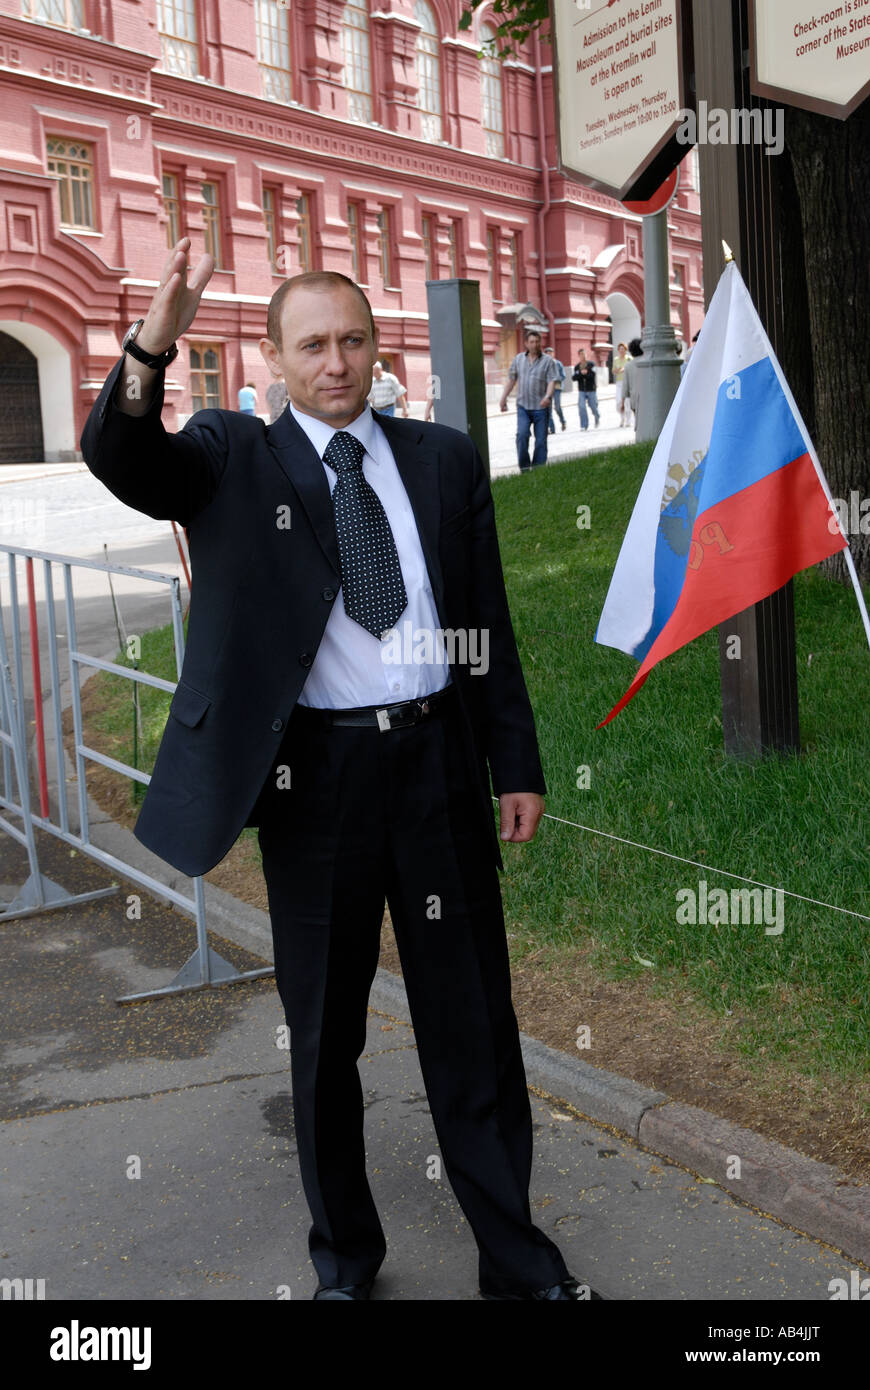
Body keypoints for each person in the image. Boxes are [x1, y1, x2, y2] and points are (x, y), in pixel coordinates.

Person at [80, 239, 587, 1303]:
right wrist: (153, 341)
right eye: (313, 344)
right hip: (316, 784)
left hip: (437, 770)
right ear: (274, 358)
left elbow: (484, 622)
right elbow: (124, 458)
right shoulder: (230, 457)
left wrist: (515, 762)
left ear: (376, 348)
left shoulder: (443, 459)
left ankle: (518, 1262)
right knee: (325, 1039)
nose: (337, 362)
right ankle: (347, 1263)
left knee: (475, 1026)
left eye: (354, 339)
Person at [499, 330, 559, 471]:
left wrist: (548, 397)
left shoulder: (548, 361)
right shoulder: (519, 359)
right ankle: (525, 469)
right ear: (526, 343)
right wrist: (503, 398)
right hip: (523, 407)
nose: (535, 344)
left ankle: (538, 470)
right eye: (531, 342)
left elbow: (552, 381)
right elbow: (512, 380)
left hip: (541, 408)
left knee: (540, 441)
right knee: (522, 435)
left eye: (537, 341)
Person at [571, 352, 600, 430]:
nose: (583, 356)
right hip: (581, 390)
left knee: (593, 406)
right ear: (579, 356)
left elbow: (593, 375)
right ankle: (584, 425)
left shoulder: (591, 364)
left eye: (584, 354)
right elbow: (573, 378)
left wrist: (586, 374)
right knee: (581, 407)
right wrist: (581, 373)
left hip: (591, 389)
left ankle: (597, 416)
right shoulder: (577, 367)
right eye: (581, 355)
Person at [543, 347, 567, 433]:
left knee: (557, 407)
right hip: (547, 389)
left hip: (557, 388)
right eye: (547, 353)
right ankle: (551, 429)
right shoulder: (543, 365)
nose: (549, 355)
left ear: (553, 354)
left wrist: (556, 379)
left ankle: (563, 421)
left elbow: (563, 376)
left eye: (551, 353)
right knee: (548, 409)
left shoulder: (558, 364)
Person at [622, 337, 643, 430]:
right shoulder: (647, 362)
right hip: (648, 396)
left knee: (638, 420)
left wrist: (622, 403)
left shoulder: (628, 365)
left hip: (635, 398)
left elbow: (625, 387)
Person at [612, 342, 630, 427]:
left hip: (627, 382)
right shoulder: (616, 359)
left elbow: (631, 369)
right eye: (620, 349)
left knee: (627, 402)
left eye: (623, 349)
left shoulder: (629, 359)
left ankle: (628, 420)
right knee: (619, 402)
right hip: (619, 382)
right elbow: (613, 371)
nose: (621, 351)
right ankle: (622, 418)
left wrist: (624, 369)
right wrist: (617, 370)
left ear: (626, 350)